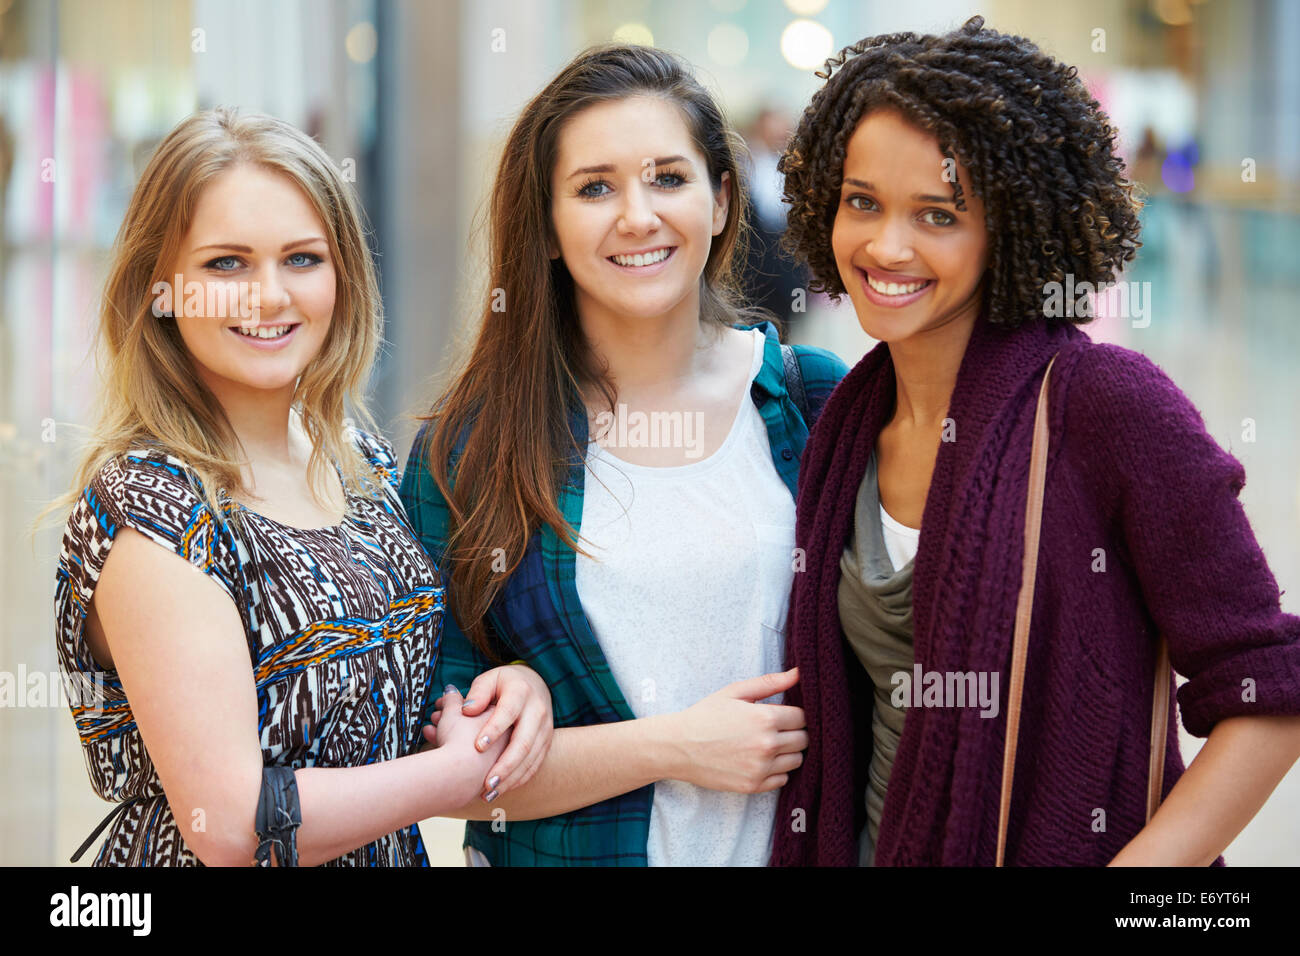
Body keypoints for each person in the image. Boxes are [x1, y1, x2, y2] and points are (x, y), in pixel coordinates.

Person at [770, 16, 1300, 866]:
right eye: (861, 201)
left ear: (1011, 227)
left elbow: (1267, 691)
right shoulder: (847, 417)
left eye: (937, 214)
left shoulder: (1106, 408)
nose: (886, 245)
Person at [50, 107, 552, 866]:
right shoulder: (150, 513)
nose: (270, 296)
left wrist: (508, 694)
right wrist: (460, 771)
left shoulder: (357, 458)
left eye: (302, 259)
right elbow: (230, 824)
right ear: (161, 289)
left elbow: (397, 699)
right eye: (226, 264)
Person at [400, 45, 848, 866]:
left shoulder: (811, 401)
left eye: (669, 178)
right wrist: (675, 746)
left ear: (720, 201)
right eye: (595, 187)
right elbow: (448, 770)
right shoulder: (469, 450)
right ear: (546, 223)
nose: (637, 215)